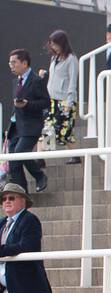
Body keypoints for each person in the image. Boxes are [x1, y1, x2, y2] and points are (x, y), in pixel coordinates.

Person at [0, 183, 55, 293]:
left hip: (27, 292)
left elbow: (27, 246)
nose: (6, 201)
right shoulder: (2, 223)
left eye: (11, 198)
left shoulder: (30, 220)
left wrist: (1, 251)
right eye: (4, 199)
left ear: (23, 201)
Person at [6, 50, 50, 194]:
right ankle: (22, 193)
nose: (11, 65)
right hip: (16, 126)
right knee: (13, 161)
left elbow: (45, 102)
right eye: (10, 63)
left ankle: (39, 175)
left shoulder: (36, 80)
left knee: (20, 153)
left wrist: (27, 104)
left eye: (14, 62)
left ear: (24, 63)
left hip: (31, 126)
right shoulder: (15, 82)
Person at [40, 30, 78, 151]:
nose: (53, 47)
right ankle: (44, 156)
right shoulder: (54, 58)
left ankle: (45, 155)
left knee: (63, 131)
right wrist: (45, 74)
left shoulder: (71, 59)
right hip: (52, 99)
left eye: (55, 44)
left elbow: (72, 81)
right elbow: (54, 76)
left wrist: (70, 101)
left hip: (64, 100)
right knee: (48, 128)